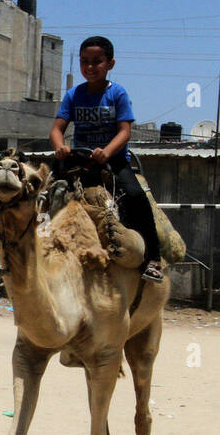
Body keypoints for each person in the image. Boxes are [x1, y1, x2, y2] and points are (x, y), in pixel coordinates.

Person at [50, 35, 163, 283]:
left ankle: (154, 258)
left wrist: (107, 151)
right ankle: (41, 243)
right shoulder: (73, 95)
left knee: (135, 196)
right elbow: (57, 129)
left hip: (113, 161)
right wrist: (60, 147)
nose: (90, 67)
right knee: (47, 190)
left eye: (96, 61)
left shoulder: (117, 94)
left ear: (110, 64)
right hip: (80, 161)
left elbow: (125, 131)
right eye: (84, 61)